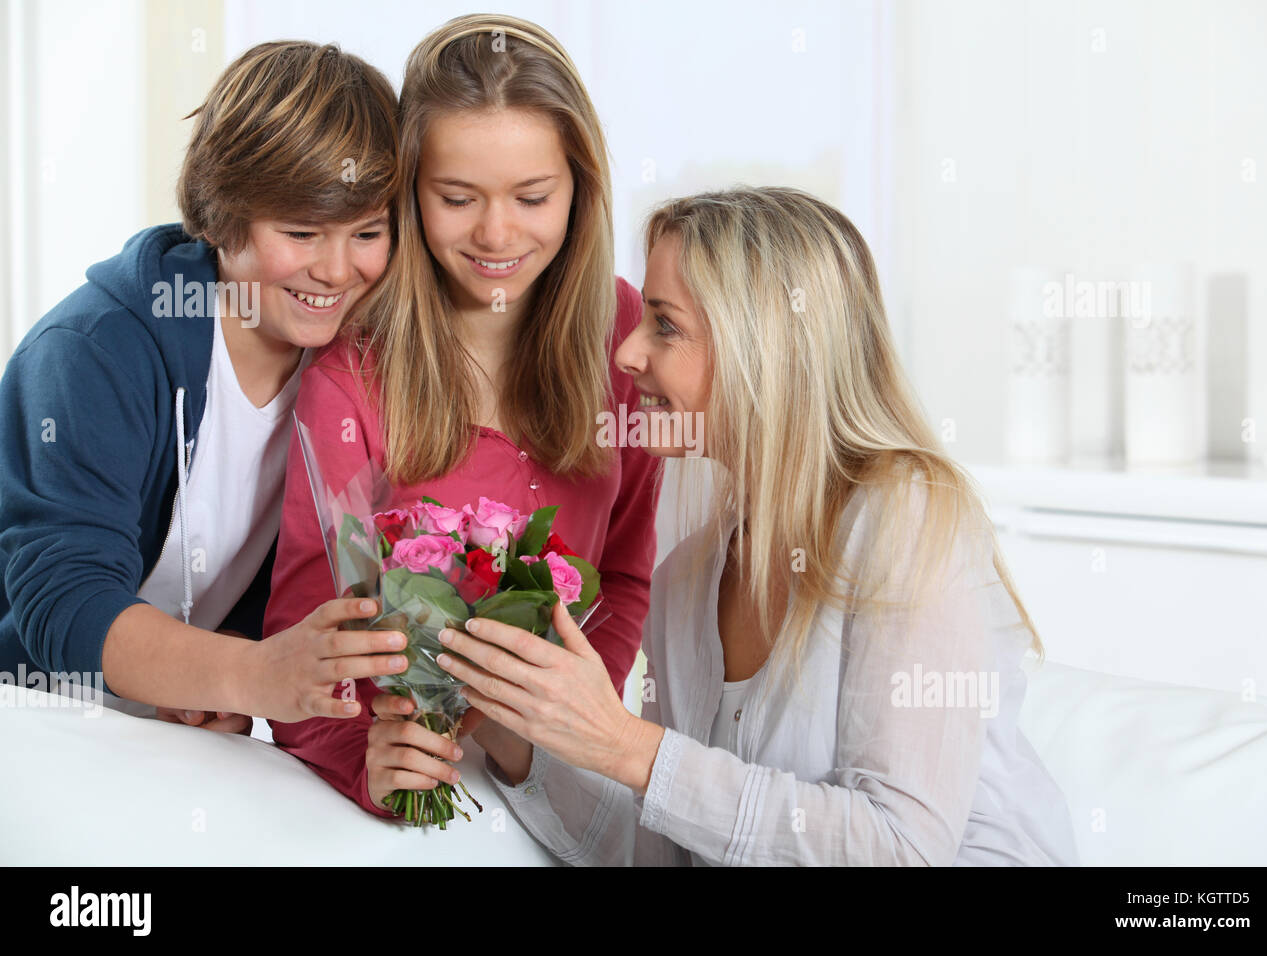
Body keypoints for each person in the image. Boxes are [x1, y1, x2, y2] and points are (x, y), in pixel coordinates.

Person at [394, 186, 1081, 865]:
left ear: (765, 349)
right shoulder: (687, 580)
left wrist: (626, 744)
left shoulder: (907, 517)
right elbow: (665, 851)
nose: (627, 354)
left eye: (664, 323)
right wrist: (519, 732)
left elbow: (899, 846)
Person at [262, 15, 661, 814]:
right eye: (456, 197)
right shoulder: (349, 381)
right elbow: (306, 649)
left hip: (562, 786)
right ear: (408, 193)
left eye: (533, 195)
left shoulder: (625, 338)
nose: (497, 233)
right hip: (420, 798)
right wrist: (369, 763)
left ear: (580, 190)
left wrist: (568, 740)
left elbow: (621, 576)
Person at [0, 41, 411, 732]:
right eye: (302, 232)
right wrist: (248, 676)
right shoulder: (95, 352)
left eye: (368, 232)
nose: (339, 271)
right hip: (29, 725)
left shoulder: (350, 360)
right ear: (223, 215)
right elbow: (62, 599)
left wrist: (216, 682)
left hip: (166, 741)